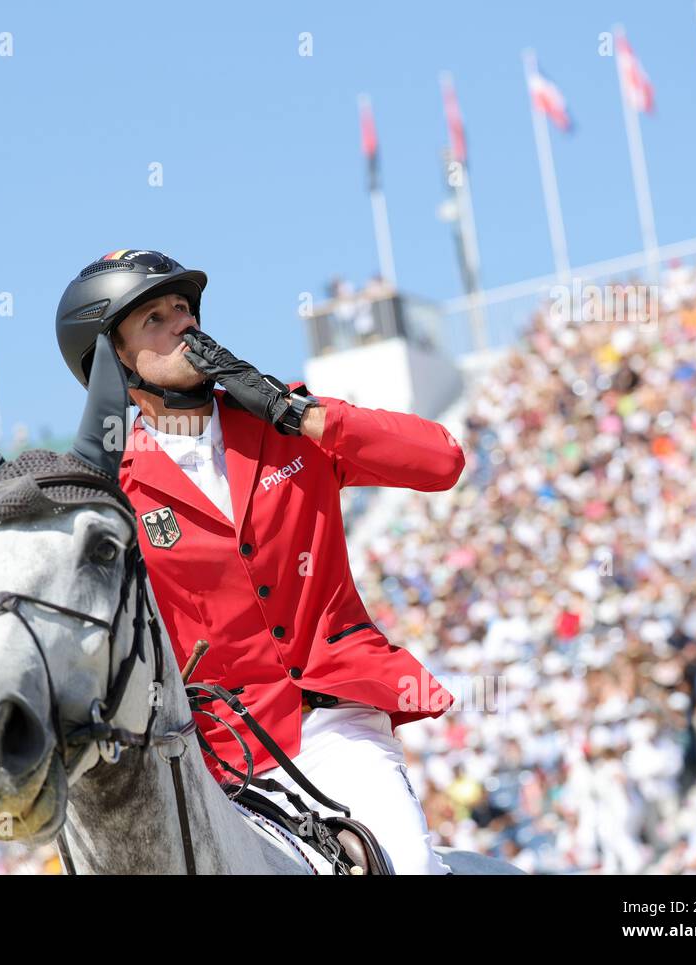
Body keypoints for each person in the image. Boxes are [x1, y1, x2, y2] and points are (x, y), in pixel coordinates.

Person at [55, 248, 463, 874]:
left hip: (334, 722)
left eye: (183, 309)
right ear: (111, 361)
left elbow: (440, 461)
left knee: (411, 867)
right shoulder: (114, 492)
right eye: (154, 320)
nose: (183, 325)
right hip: (221, 760)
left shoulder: (284, 424)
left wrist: (299, 414)